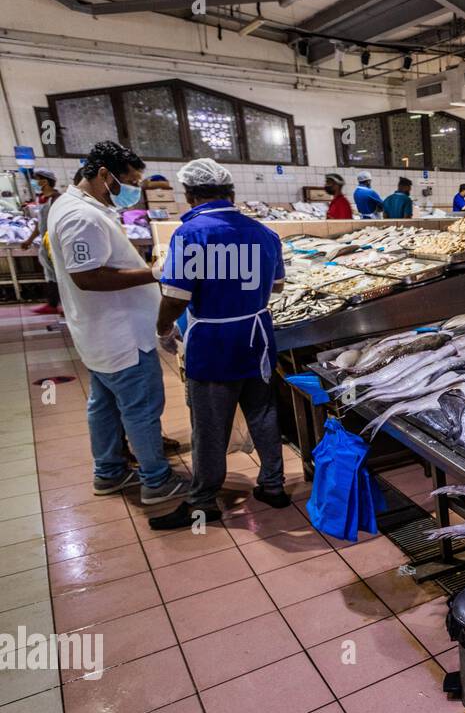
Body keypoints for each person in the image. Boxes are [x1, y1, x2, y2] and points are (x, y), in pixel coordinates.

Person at [148, 158, 289, 530]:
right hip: (257, 338)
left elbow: (176, 296)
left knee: (210, 424)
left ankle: (203, 500)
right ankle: (273, 486)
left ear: (190, 194)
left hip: (213, 342)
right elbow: (277, 287)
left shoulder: (191, 234)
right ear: (231, 193)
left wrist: (163, 328)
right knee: (263, 412)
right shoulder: (264, 233)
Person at [46, 141, 187, 504]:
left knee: (104, 405)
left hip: (100, 334)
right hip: (119, 334)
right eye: (130, 182)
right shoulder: (81, 216)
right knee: (140, 407)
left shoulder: (76, 207)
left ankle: (109, 472)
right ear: (104, 174)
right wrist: (153, 274)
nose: (133, 192)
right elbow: (88, 277)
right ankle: (156, 481)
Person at [24, 168, 60, 315]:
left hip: (55, 243)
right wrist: (29, 240)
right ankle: (52, 304)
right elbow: (41, 225)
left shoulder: (57, 199)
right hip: (46, 242)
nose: (34, 183)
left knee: (60, 273)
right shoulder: (42, 199)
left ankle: (65, 304)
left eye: (36, 179)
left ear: (45, 181)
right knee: (50, 274)